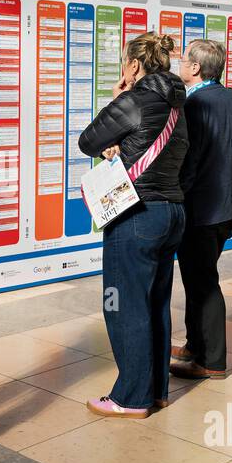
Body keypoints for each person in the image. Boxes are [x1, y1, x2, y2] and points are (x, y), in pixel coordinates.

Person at [78, 31, 189, 416]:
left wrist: (117, 96)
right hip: (172, 212)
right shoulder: (178, 104)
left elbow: (89, 140)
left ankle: (131, 397)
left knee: (125, 305)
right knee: (156, 303)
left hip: (137, 215)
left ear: (134, 65)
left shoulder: (134, 100)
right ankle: (156, 390)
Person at [170, 39, 232, 379]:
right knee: (197, 278)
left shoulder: (195, 105)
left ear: (196, 68)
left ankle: (212, 360)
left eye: (184, 59)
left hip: (200, 209)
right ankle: (195, 345)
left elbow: (188, 161)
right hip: (226, 208)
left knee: (203, 283)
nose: (180, 63)